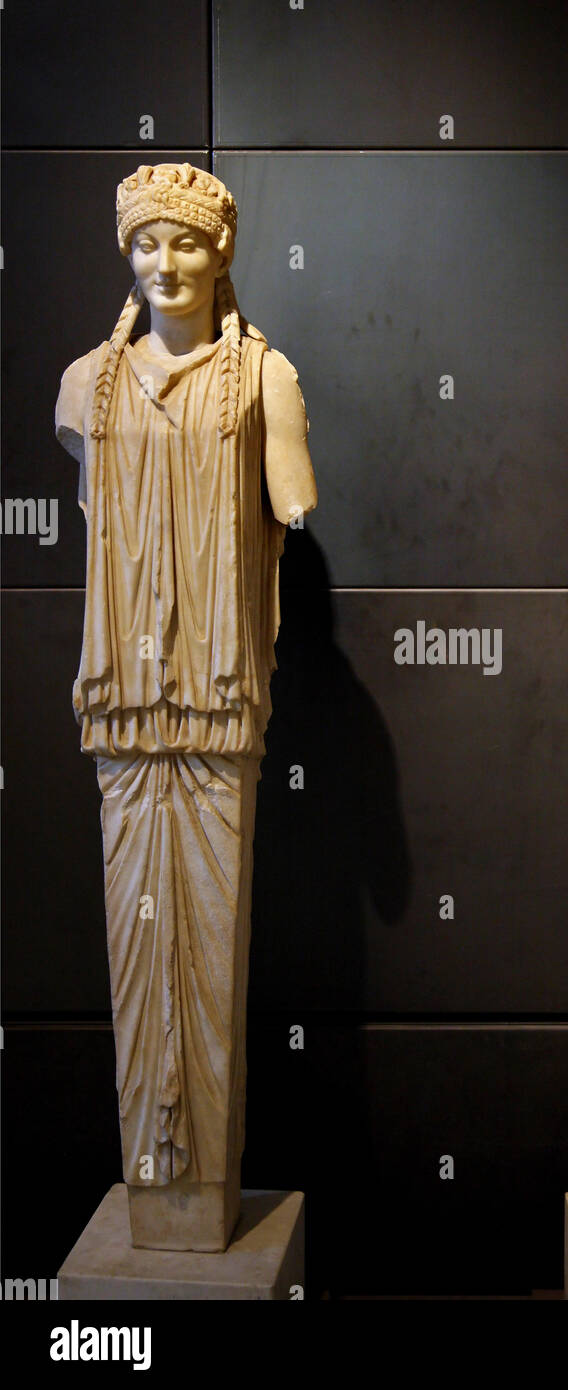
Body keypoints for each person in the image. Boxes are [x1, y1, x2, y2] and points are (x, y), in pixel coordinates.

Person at [55, 163, 317, 1251]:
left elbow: (293, 500)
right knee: (139, 940)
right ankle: (157, 1183)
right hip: (125, 703)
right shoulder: (86, 386)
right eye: (146, 244)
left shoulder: (265, 380)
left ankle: (199, 1189)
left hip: (216, 698)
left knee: (208, 942)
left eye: (189, 244)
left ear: (224, 255)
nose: (166, 265)